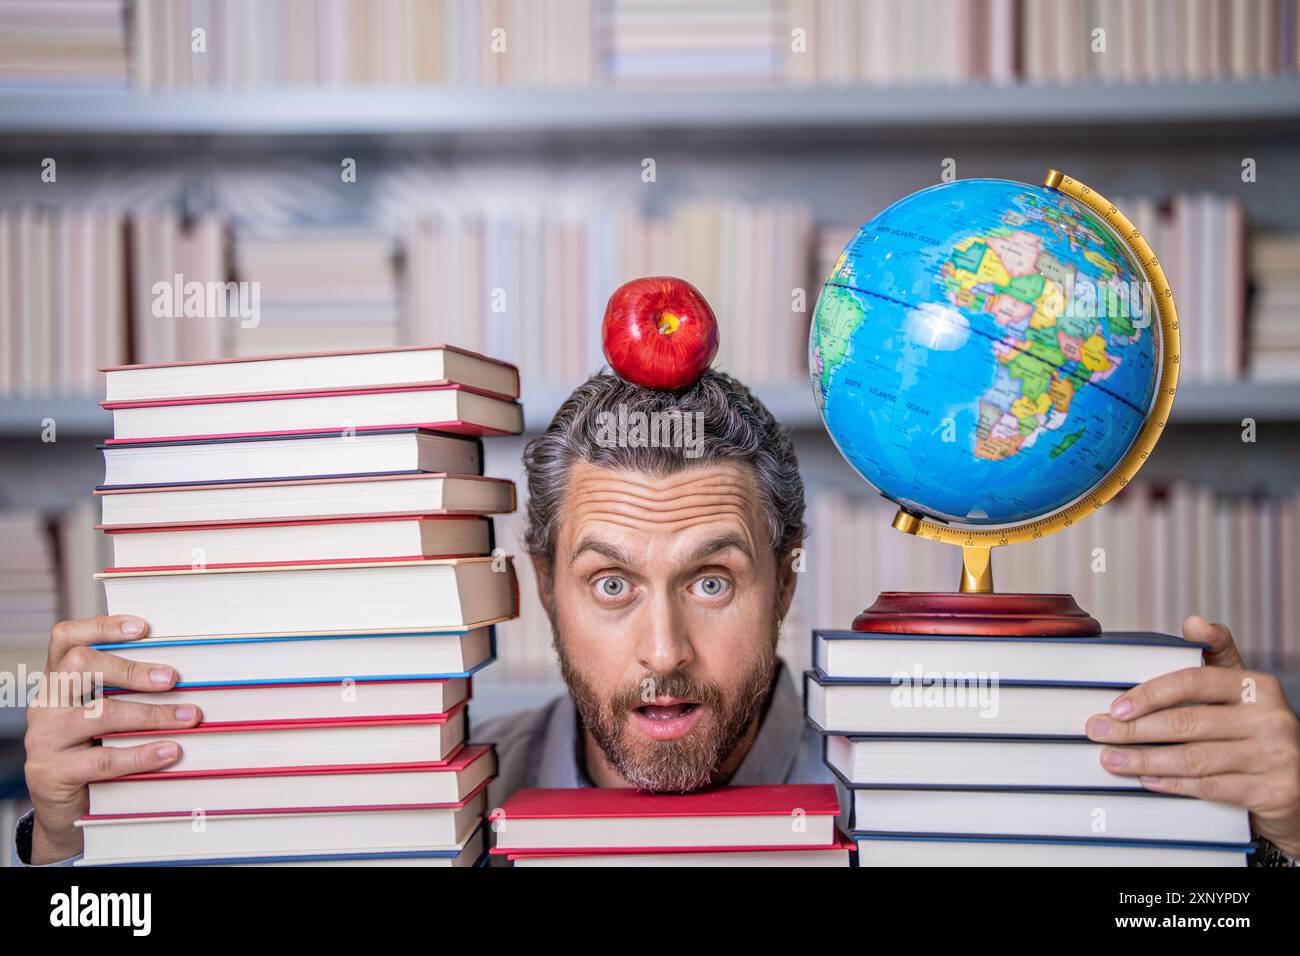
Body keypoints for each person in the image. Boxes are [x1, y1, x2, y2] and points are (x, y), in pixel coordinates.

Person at [14, 371, 1300, 866]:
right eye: (613, 581)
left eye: (714, 577)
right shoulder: (420, 812)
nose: (665, 652)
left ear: (788, 578)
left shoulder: (970, 795)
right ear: (537, 584)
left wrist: (1286, 835)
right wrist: (73, 854)